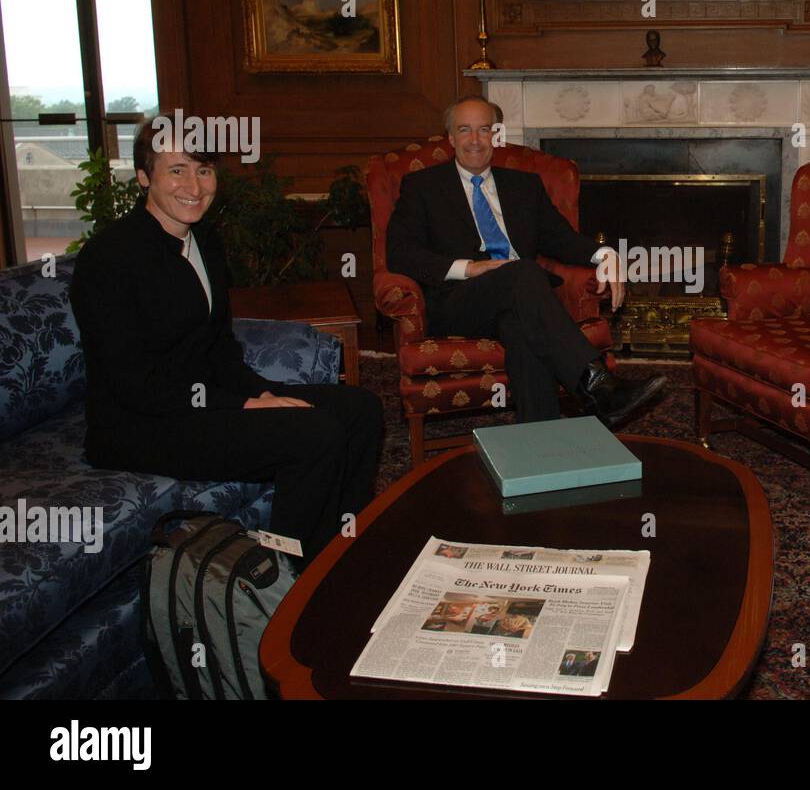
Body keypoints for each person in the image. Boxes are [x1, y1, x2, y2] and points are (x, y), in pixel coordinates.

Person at [69, 120, 384, 567]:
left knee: (359, 409)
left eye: (203, 169)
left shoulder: (204, 240)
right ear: (144, 176)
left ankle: (341, 551)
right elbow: (131, 382)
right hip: (139, 424)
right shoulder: (110, 258)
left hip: (202, 404)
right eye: (176, 170)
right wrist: (241, 407)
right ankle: (287, 578)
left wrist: (260, 392)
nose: (194, 186)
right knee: (315, 433)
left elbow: (218, 346)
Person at [385, 94, 666, 426]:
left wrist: (605, 253)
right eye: (464, 130)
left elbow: (559, 237)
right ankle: (596, 382)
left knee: (521, 328)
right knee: (523, 274)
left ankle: (540, 440)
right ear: (450, 137)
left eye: (484, 130)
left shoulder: (524, 186)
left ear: (496, 135)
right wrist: (469, 268)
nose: (475, 140)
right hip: (459, 303)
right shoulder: (423, 186)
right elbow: (400, 252)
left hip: (524, 300)